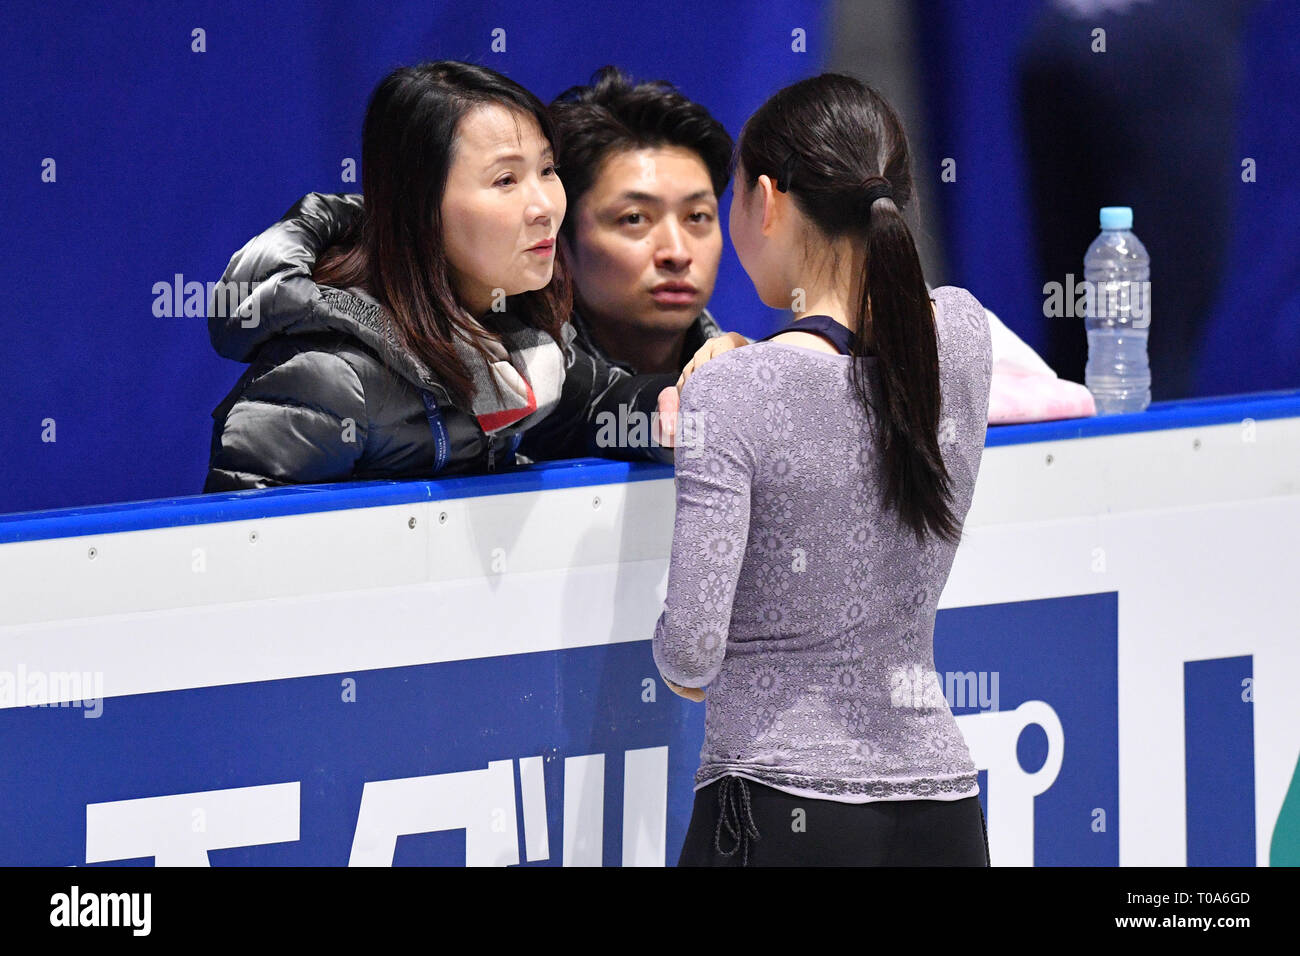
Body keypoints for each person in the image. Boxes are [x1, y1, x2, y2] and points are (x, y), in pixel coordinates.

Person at [652, 73, 993, 866]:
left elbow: (691, 654)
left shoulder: (732, 393)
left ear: (765, 200)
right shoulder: (964, 338)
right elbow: (893, 334)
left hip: (779, 804)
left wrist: (724, 377)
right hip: (943, 809)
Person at [203, 61, 700, 492]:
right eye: (506, 180)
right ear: (421, 205)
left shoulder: (519, 338)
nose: (545, 206)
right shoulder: (331, 376)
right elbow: (244, 559)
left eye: (547, 170)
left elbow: (597, 406)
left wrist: (673, 409)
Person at [542, 67, 746, 378]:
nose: (677, 254)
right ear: (559, 244)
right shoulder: (504, 403)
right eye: (634, 218)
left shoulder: (763, 389)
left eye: (697, 216)